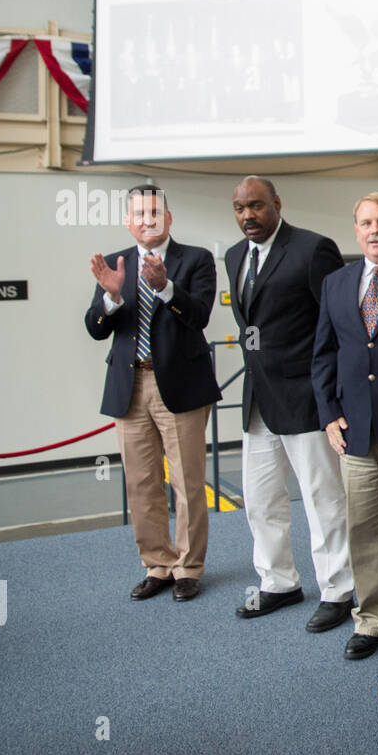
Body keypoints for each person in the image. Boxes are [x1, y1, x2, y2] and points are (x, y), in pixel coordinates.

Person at [224, 175, 355, 631]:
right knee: (259, 499)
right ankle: (278, 581)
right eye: (240, 208)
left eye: (256, 206)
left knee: (324, 499)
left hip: (306, 399)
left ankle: (338, 589)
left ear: (276, 204)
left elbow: (336, 325)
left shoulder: (312, 249)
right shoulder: (234, 256)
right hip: (257, 400)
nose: (248, 216)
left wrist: (333, 397)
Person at [86, 185, 221, 602]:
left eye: (155, 212)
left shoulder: (195, 259)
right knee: (141, 484)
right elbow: (95, 329)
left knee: (187, 482)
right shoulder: (114, 264)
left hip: (179, 385)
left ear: (169, 218)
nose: (148, 219)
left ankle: (187, 567)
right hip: (130, 387)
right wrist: (110, 296)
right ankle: (158, 565)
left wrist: (165, 288)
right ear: (129, 221)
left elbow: (198, 316)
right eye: (140, 213)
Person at [311, 193, 378, 661]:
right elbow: (324, 354)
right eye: (365, 223)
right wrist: (328, 412)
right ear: (355, 231)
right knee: (366, 531)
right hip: (355, 433)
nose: (374, 230)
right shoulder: (337, 282)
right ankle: (374, 619)